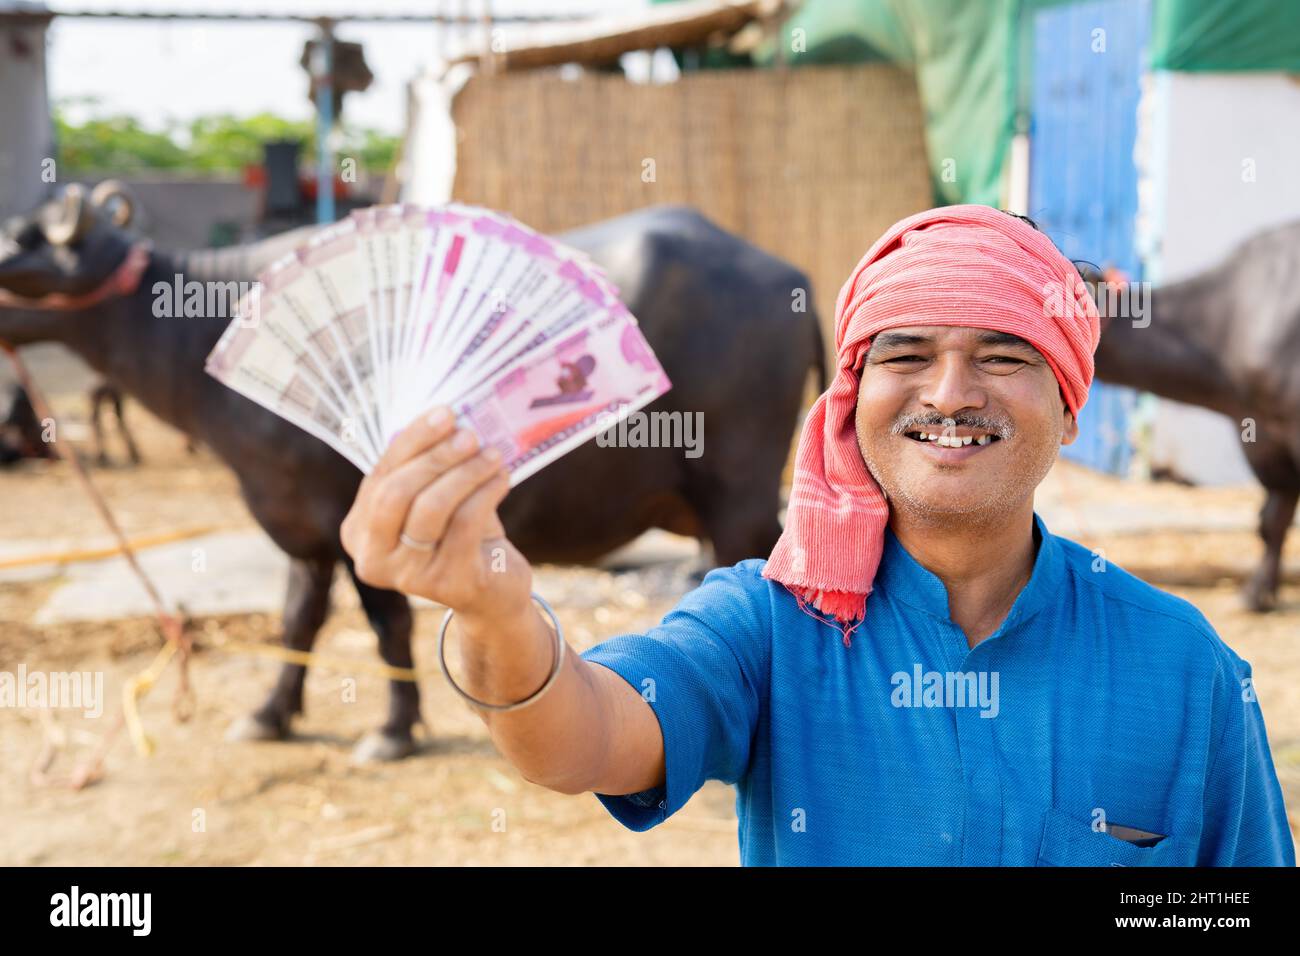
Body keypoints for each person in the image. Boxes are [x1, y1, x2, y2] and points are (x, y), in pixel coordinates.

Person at [340, 205, 1296, 866]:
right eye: (907, 355)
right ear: (851, 400)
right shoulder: (767, 627)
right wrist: (495, 614)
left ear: (1071, 406)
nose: (951, 392)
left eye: (1003, 356)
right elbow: (582, 742)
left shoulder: (1185, 669)